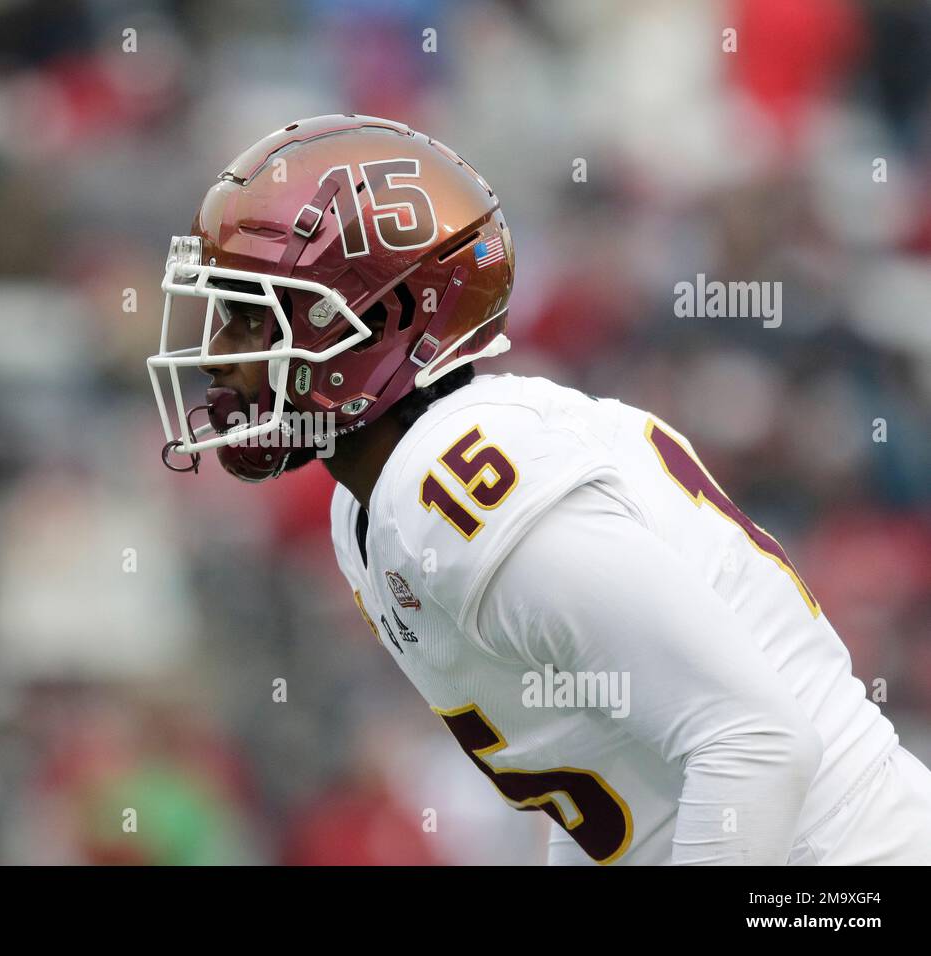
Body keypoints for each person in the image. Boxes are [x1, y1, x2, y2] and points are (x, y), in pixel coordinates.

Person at [146, 114, 931, 864]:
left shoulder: (454, 488)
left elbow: (756, 741)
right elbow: (604, 801)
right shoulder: (372, 506)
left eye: (250, 321)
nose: (217, 357)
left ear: (380, 317)